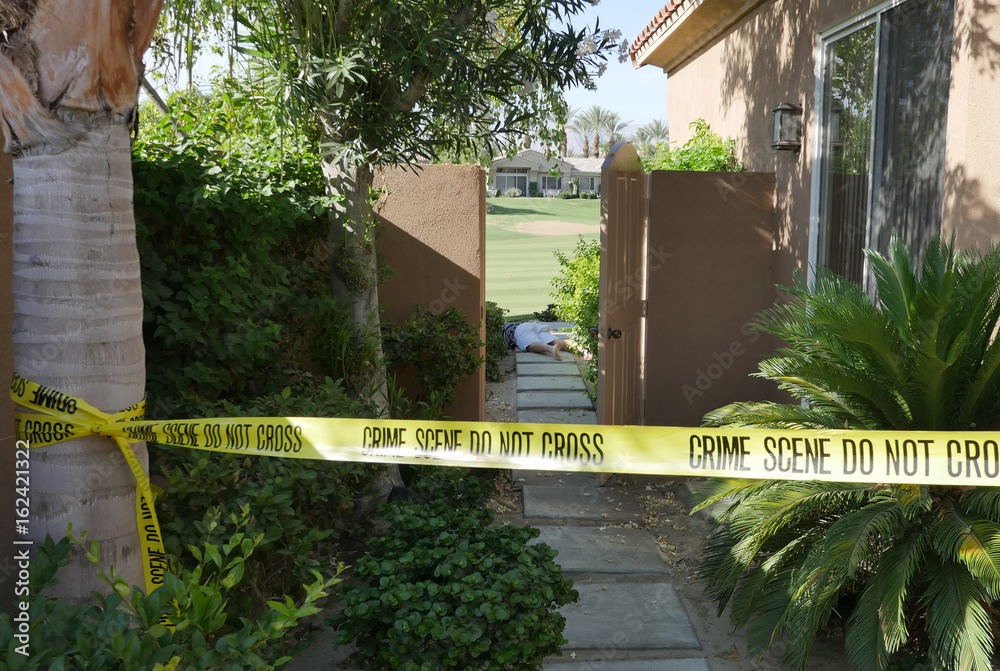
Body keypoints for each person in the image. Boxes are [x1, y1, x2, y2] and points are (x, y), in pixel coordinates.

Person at [501, 321, 577, 360]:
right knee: (556, 341)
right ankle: (584, 348)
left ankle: (551, 348)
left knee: (531, 345)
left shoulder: (494, 332)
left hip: (520, 330)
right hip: (532, 326)